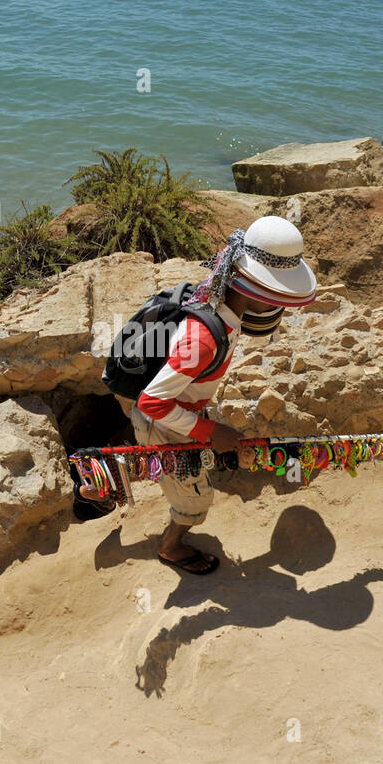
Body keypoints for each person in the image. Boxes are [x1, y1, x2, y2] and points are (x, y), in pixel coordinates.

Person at [81, 216, 318, 575]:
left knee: (164, 465)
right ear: (258, 291)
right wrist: (212, 434)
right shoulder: (206, 339)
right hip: (163, 417)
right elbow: (153, 403)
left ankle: (100, 487)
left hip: (179, 408)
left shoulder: (214, 296)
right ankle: (170, 546)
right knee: (196, 498)